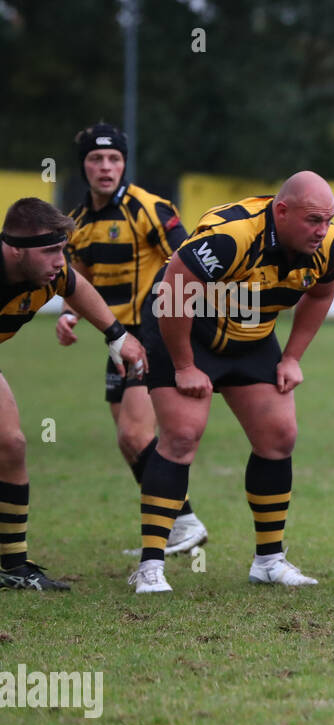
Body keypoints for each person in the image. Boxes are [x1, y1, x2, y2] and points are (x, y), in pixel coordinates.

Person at [127, 171, 334, 594]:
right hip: (185, 327)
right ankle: (150, 566)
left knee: (279, 436)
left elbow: (320, 294)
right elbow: (173, 293)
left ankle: (269, 562)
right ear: (282, 211)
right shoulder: (231, 238)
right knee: (183, 436)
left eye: (329, 219)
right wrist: (185, 365)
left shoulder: (329, 245)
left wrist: (292, 357)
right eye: (313, 220)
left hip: (250, 330)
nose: (323, 230)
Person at [59, 122, 207, 555]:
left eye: (114, 159)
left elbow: (190, 263)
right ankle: (178, 524)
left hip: (153, 335)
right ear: (84, 165)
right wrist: (68, 315)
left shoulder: (149, 209)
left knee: (134, 435)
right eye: (96, 159)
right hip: (117, 340)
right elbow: (77, 281)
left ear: (124, 163)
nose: (106, 167)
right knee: (131, 441)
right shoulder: (77, 224)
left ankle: (184, 521)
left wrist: (183, 325)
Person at [0, 198, 148, 589]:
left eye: (62, 249)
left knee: (10, 444)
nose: (59, 260)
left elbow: (78, 288)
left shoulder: (52, 272)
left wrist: (117, 336)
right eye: (50, 250)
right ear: (14, 249)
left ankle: (13, 567)